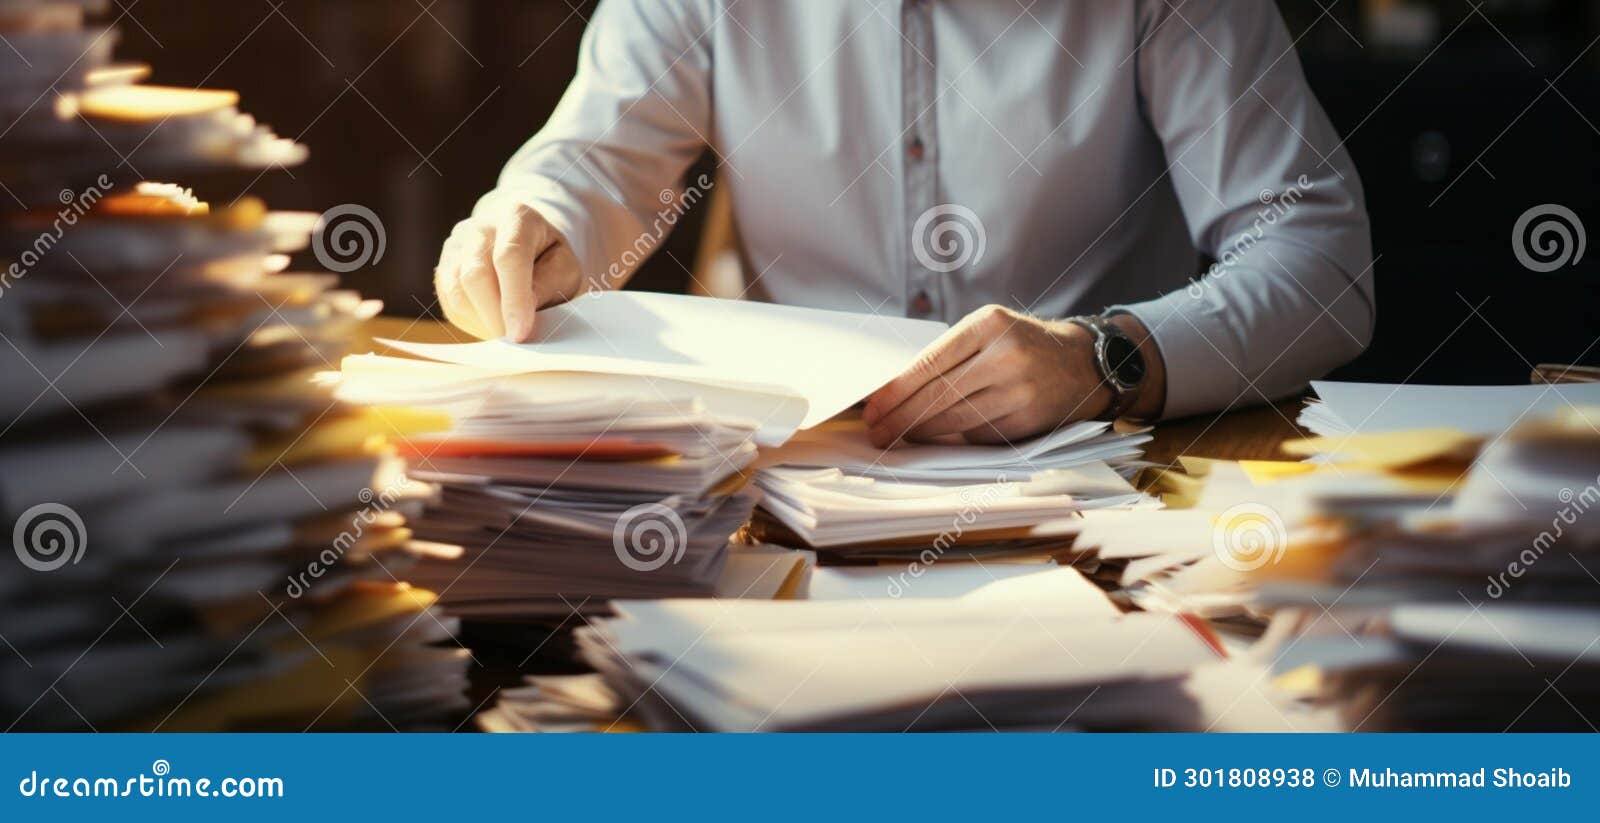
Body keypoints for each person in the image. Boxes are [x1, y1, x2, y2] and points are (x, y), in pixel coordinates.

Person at [434, 0, 1373, 447]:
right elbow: (590, 167)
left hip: (1118, 477)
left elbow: (1317, 261)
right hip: (804, 482)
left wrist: (1102, 360)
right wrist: (530, 229)